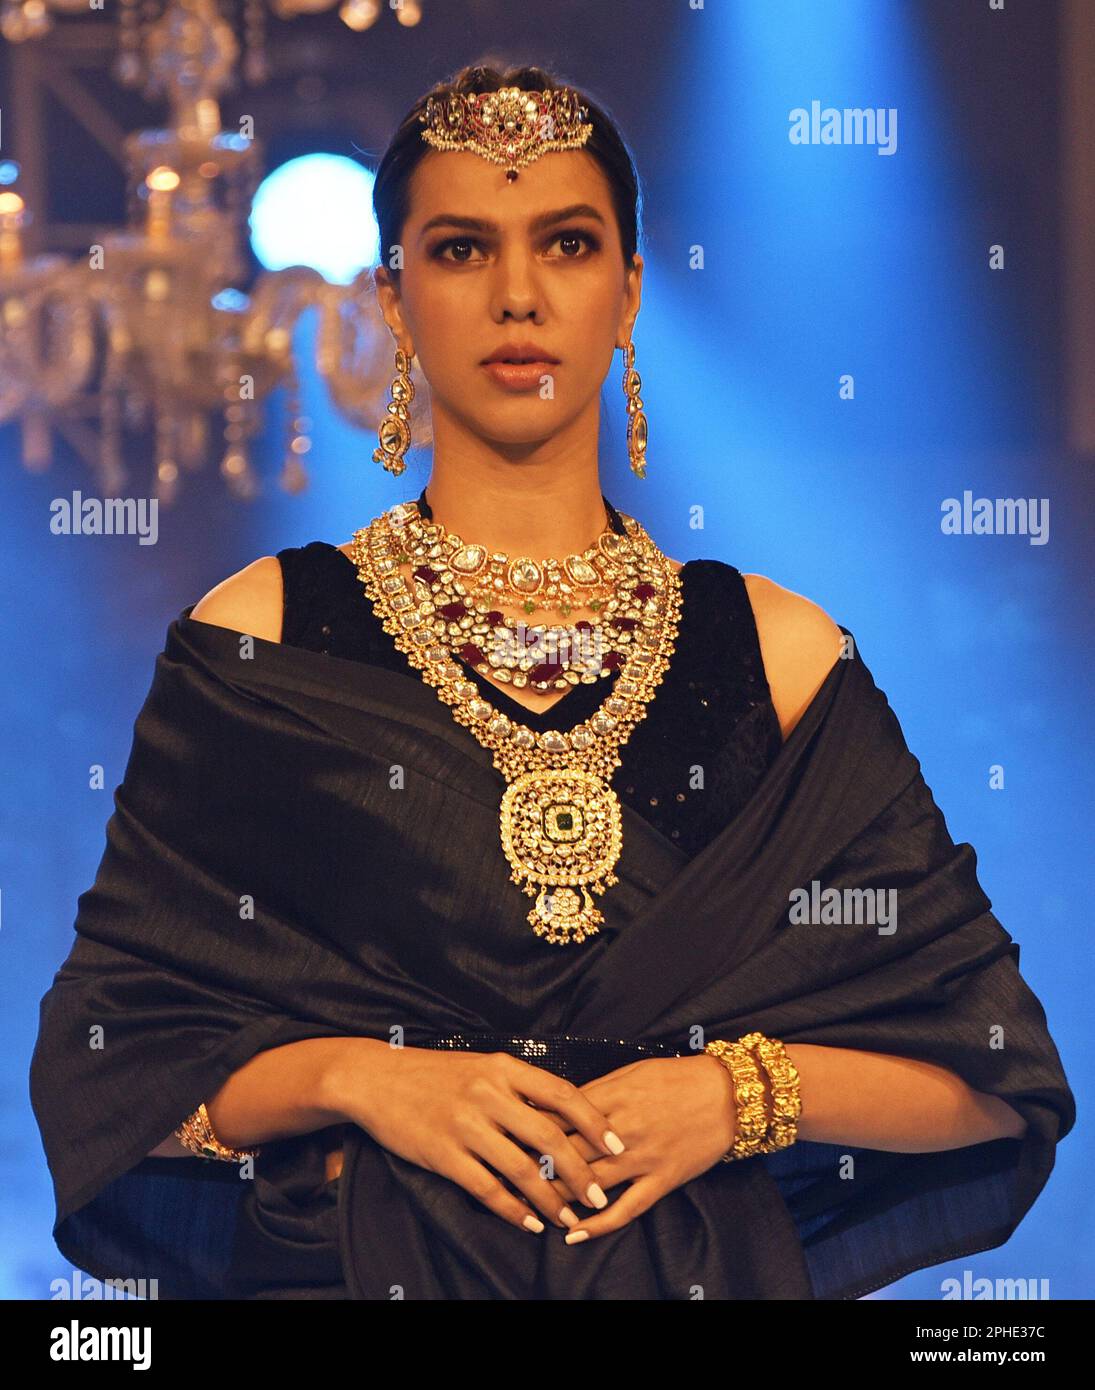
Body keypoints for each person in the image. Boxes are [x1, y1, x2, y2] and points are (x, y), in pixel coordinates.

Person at [30, 62, 1074, 1301]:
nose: (518, 295)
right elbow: (110, 1071)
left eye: (567, 244)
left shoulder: (778, 654)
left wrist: (736, 1094)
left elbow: (995, 1071)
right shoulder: (266, 635)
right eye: (463, 248)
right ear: (395, 298)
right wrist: (359, 1074)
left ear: (628, 293)